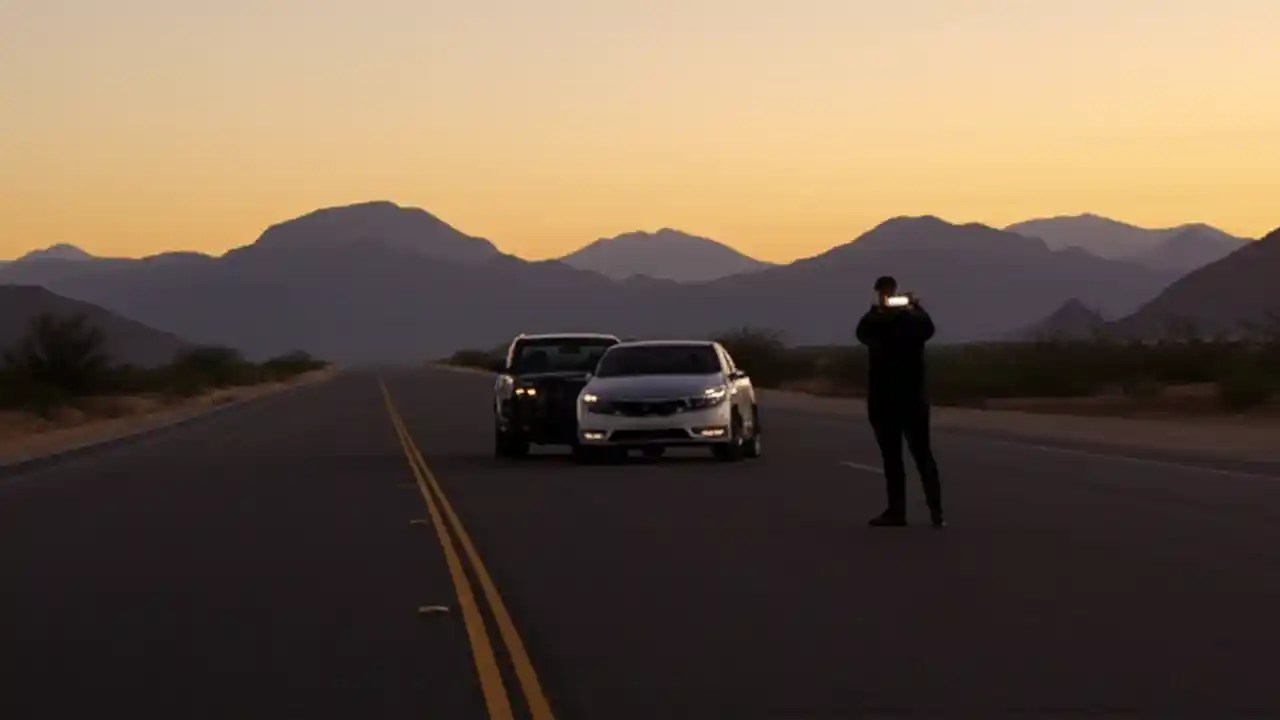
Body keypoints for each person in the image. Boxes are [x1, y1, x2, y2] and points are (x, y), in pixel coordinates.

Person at [855, 275, 944, 527]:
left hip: (893, 400)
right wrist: (909, 309)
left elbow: (927, 328)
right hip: (902, 400)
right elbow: (863, 332)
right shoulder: (880, 320)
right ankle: (924, 512)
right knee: (906, 458)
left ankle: (919, 511)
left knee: (909, 458)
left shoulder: (895, 321)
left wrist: (911, 309)